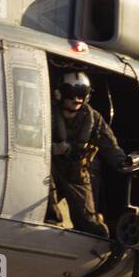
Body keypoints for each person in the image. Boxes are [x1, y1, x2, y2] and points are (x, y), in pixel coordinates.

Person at [50, 72, 126, 239]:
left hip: (78, 174)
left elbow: (109, 145)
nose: (76, 99)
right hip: (51, 170)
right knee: (50, 213)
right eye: (70, 94)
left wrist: (123, 162)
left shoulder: (93, 119)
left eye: (81, 95)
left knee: (91, 226)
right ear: (60, 94)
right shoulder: (47, 114)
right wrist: (52, 149)